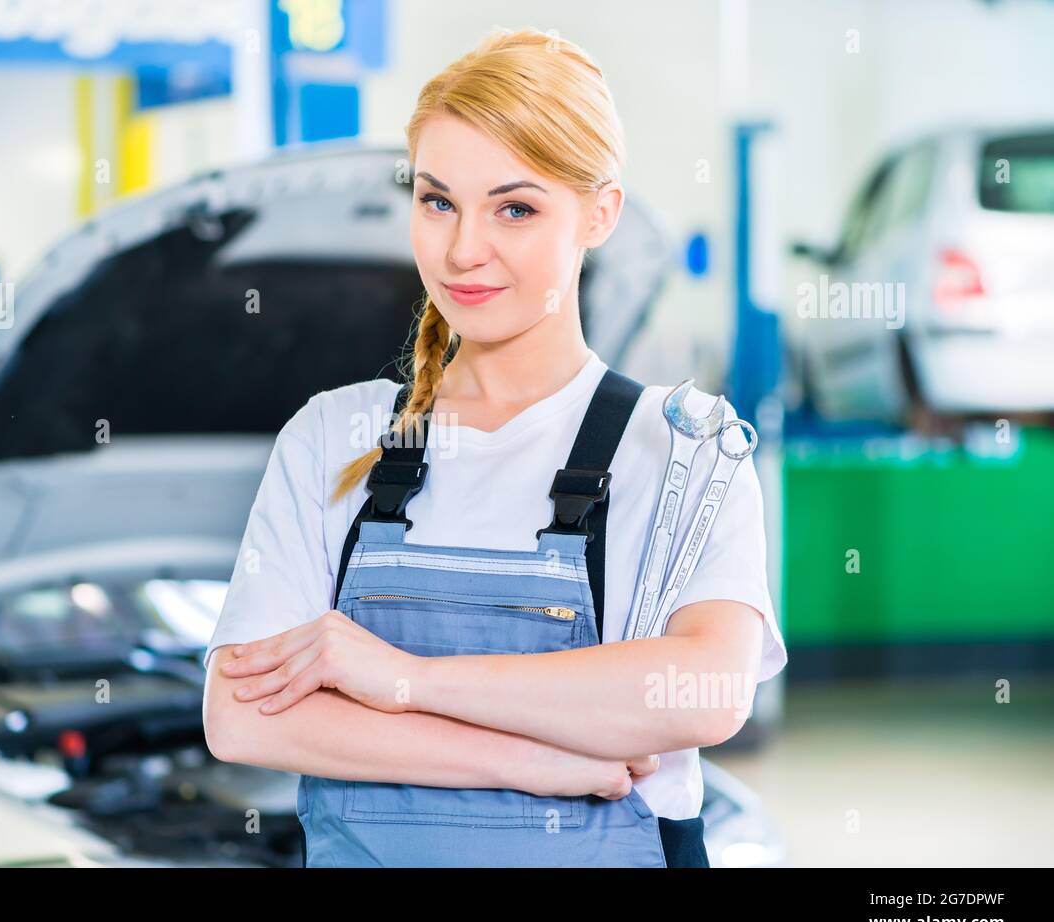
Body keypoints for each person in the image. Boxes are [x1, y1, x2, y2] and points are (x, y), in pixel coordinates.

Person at [203, 27, 786, 867]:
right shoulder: (334, 438)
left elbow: (705, 690)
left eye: (515, 207)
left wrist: (401, 679)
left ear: (600, 212)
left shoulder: (686, 448)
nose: (462, 249)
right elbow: (241, 713)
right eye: (438, 199)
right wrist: (533, 762)